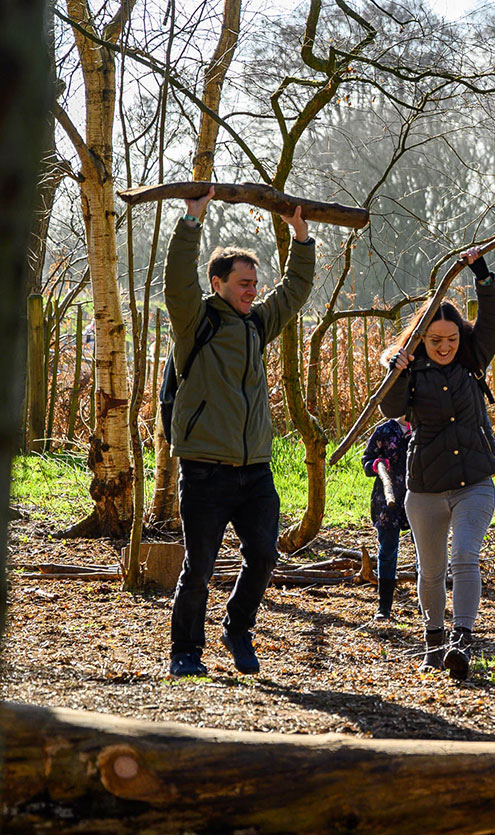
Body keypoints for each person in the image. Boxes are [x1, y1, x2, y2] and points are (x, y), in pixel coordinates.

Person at [163, 187, 316, 677]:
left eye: (255, 282)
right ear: (219, 282)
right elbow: (176, 284)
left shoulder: (256, 325)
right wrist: (191, 222)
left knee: (265, 555)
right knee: (199, 569)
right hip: (205, 471)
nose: (253, 290)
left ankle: (237, 628)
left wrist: (301, 236)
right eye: (244, 282)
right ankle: (186, 652)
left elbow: (293, 292)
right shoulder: (197, 321)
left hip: (255, 472)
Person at [378, 248, 495, 681]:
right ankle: (434, 641)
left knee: (465, 555)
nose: (446, 346)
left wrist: (482, 276)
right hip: (426, 487)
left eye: (451, 339)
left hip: (474, 482)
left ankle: (461, 641)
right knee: (430, 571)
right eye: (436, 341)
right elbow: (389, 407)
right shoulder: (410, 372)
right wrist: (394, 369)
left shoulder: (473, 359)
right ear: (422, 340)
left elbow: (490, 322)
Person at [362, 416, 412, 621]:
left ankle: (427, 606)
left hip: (418, 496)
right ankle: (384, 608)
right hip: (387, 498)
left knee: (424, 551)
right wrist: (376, 464)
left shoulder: (423, 426)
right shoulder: (384, 430)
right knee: (388, 550)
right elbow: (366, 461)